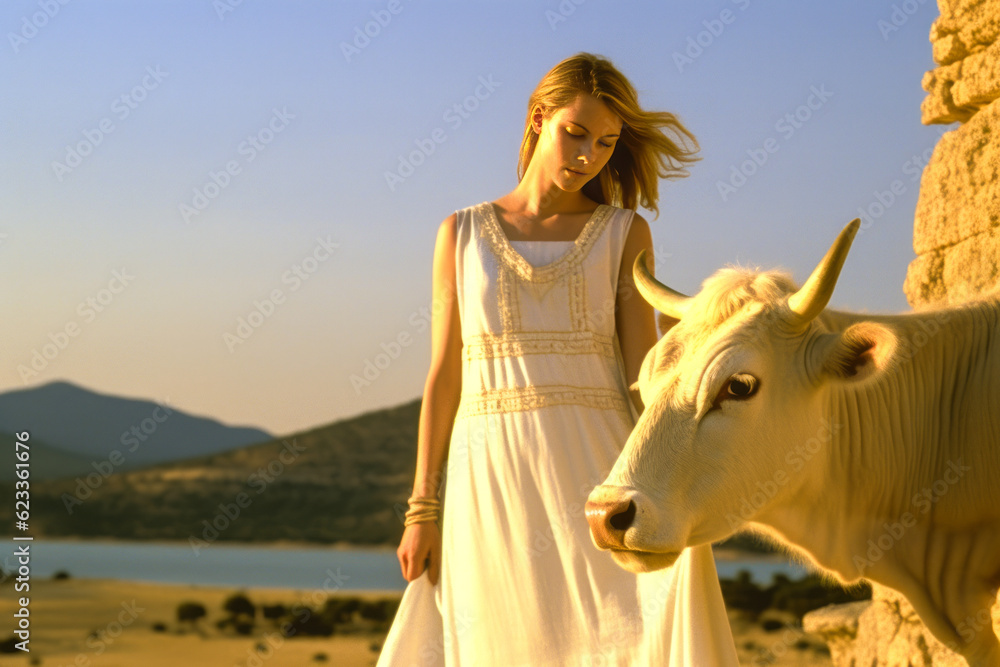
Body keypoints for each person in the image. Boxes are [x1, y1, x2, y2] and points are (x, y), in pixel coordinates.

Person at [376, 52, 739, 666]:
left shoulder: (624, 232)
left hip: (598, 473)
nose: (588, 155)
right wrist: (422, 510)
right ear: (539, 117)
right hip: (488, 479)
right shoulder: (460, 234)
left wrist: (674, 483)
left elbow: (643, 376)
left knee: (618, 639)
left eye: (605, 143)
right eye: (576, 133)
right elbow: (444, 378)